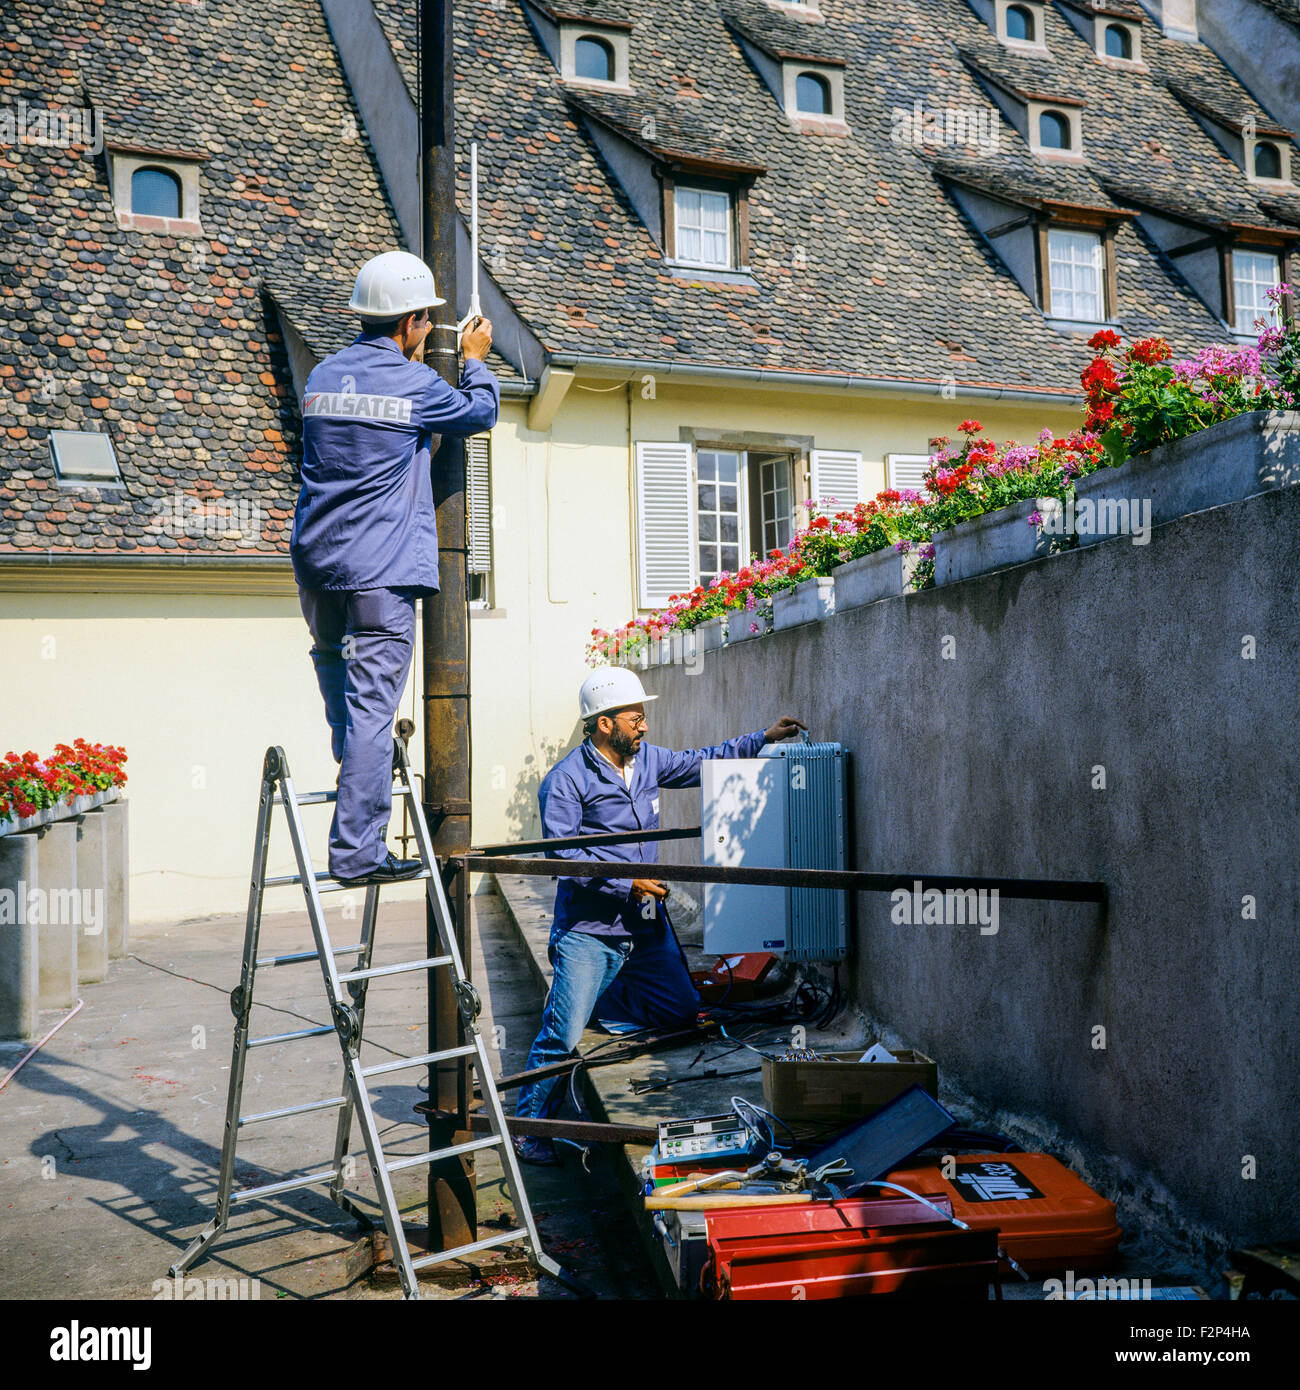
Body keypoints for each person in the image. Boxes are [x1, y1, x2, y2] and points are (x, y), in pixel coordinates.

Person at [513, 666, 807, 1164]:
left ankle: (606, 998)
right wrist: (625, 881)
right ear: (604, 723)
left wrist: (762, 738)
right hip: (590, 931)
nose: (645, 726)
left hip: (644, 926)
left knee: (679, 1011)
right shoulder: (564, 782)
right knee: (561, 1036)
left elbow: (700, 761)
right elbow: (561, 859)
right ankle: (530, 1127)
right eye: (636, 718)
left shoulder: (648, 760)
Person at [290, 251, 496, 885]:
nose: (430, 330)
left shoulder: (322, 376)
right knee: (375, 713)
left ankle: (355, 795)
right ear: (410, 322)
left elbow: (362, 438)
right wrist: (475, 359)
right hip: (379, 572)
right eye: (427, 322)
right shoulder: (414, 384)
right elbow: (478, 413)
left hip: (318, 567)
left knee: (346, 706)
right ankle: (357, 855)